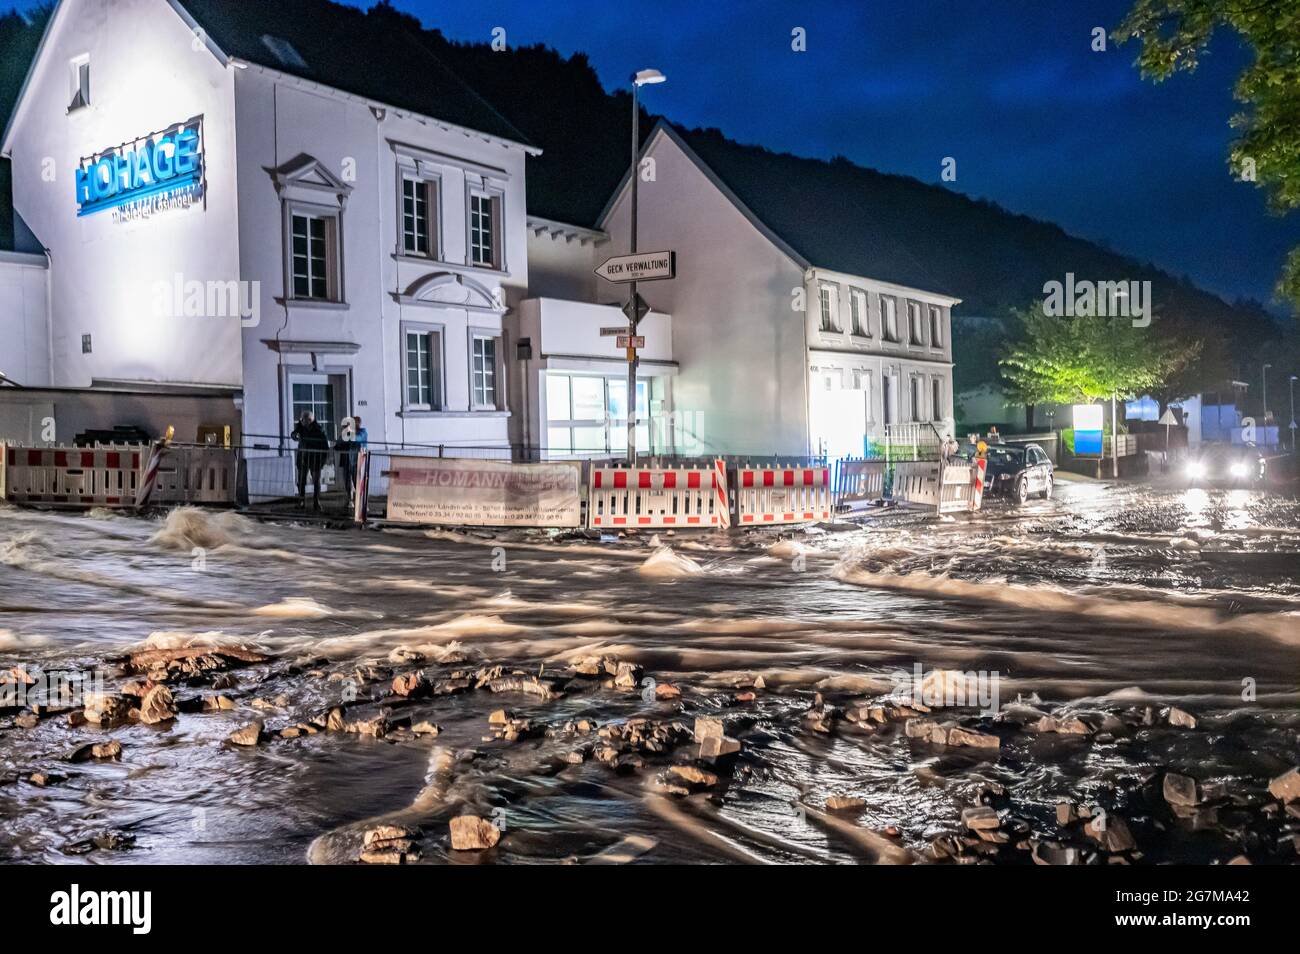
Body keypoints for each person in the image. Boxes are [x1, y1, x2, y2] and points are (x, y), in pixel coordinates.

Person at [291, 411, 330, 511]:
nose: (301, 421)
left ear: (309, 420)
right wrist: (296, 431)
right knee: (301, 481)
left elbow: (325, 446)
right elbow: (294, 435)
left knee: (316, 481)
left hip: (315, 459)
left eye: (303, 419)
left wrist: (323, 460)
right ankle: (301, 501)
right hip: (303, 458)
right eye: (301, 419)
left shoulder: (318, 430)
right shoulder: (301, 427)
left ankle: (316, 502)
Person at [336, 414, 369, 503]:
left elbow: (356, 439)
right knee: (347, 481)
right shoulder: (347, 433)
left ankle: (361, 502)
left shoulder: (362, 432)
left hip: (357, 461)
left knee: (357, 481)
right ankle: (349, 499)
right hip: (346, 460)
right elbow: (338, 444)